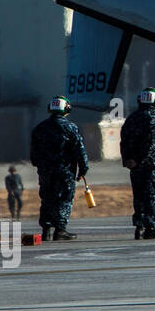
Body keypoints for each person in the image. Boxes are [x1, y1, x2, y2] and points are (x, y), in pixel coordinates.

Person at [29, 96, 88, 240]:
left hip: (45, 171)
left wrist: (40, 165)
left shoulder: (40, 128)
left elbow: (34, 153)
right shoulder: (71, 128)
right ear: (66, 109)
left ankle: (46, 229)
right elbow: (79, 150)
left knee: (47, 198)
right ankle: (60, 230)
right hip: (65, 171)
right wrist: (83, 168)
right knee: (64, 199)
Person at [121, 87, 155, 239]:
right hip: (148, 166)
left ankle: (139, 226)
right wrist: (140, 160)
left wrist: (128, 159)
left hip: (134, 166)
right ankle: (150, 227)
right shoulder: (153, 119)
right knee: (152, 196)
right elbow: (151, 145)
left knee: (139, 196)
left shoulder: (132, 118)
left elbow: (124, 140)